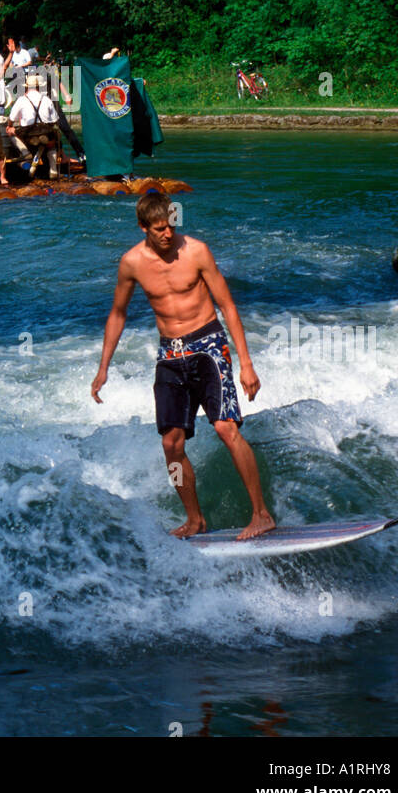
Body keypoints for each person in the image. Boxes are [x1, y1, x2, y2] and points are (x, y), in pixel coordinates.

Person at [91, 190, 274, 541]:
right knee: (171, 446)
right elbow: (118, 313)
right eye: (158, 228)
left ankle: (261, 514)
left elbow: (228, 306)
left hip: (208, 346)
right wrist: (104, 368)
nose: (167, 233)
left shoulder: (197, 252)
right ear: (142, 226)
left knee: (225, 429)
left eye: (170, 225)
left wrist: (246, 363)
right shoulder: (131, 263)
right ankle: (194, 519)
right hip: (170, 355)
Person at [6, 70, 60, 177]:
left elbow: (11, 118)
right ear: (38, 87)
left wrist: (10, 126)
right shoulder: (46, 99)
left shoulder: (21, 100)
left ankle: (26, 154)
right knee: (52, 142)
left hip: (28, 132)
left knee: (10, 132)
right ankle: (53, 170)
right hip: (45, 130)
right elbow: (55, 120)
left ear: (26, 87)